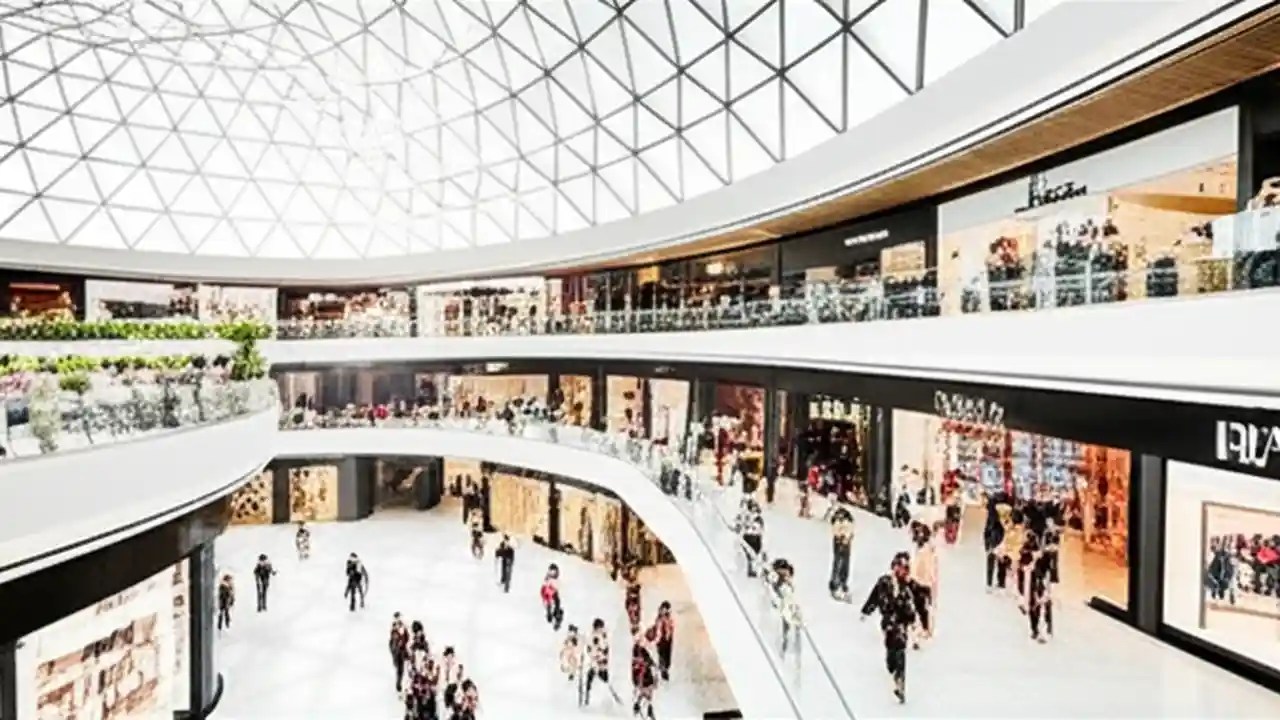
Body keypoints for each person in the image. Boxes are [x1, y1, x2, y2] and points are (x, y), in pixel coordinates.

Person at [859, 552, 917, 704]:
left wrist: (913, 620)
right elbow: (874, 597)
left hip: (901, 623)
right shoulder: (884, 582)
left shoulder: (908, 587)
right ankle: (893, 669)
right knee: (891, 653)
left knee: (900, 649)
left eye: (904, 568)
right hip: (888, 622)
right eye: (899, 567)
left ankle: (900, 681)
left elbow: (914, 605)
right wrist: (866, 611)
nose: (901, 571)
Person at [909, 522, 939, 648]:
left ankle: (922, 632)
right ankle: (920, 632)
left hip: (922, 583)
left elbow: (926, 568)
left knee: (920, 609)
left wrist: (914, 578)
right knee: (920, 609)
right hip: (920, 582)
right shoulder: (924, 549)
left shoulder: (926, 550)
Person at [582, 618, 611, 707]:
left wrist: (601, 658)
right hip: (595, 662)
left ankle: (608, 699)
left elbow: (605, 649)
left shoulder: (603, 636)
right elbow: (590, 649)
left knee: (604, 679)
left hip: (601, 663)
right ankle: (587, 698)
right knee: (590, 678)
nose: (599, 629)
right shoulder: (594, 636)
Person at [631, 630, 658, 719]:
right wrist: (645, 663)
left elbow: (649, 659)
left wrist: (652, 664)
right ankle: (641, 707)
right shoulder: (636, 649)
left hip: (645, 672)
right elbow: (637, 661)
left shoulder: (643, 648)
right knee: (645, 690)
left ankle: (644, 707)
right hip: (641, 673)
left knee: (648, 690)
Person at [829, 507, 854, 601]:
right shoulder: (836, 521)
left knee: (845, 563)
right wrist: (840, 538)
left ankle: (843, 582)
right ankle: (835, 583)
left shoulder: (849, 521)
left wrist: (847, 538)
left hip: (846, 543)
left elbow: (851, 531)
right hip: (839, 542)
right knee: (838, 562)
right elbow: (835, 531)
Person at [735, 498, 765, 578]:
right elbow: (738, 525)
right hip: (748, 538)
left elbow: (759, 529)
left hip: (755, 538)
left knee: (754, 555)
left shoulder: (758, 519)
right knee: (748, 555)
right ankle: (749, 569)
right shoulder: (743, 516)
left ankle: (756, 569)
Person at [652, 601, 675, 682]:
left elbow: (671, 628)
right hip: (662, 641)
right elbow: (658, 630)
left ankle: (663, 668)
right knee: (663, 656)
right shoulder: (659, 619)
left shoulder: (669, 618)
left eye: (667, 609)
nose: (666, 611)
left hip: (667, 640)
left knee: (667, 657)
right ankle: (663, 669)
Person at [389, 613, 410, 692]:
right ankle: (399, 684)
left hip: (402, 650)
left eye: (399, 618)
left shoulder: (402, 627)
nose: (398, 620)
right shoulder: (394, 629)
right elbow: (394, 642)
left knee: (403, 668)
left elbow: (407, 637)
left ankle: (402, 683)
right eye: (397, 618)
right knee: (400, 669)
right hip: (398, 651)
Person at [541, 564, 564, 630]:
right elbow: (544, 589)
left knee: (556, 601)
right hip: (548, 594)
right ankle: (553, 614)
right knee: (553, 601)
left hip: (551, 593)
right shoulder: (547, 580)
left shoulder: (553, 580)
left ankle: (555, 615)